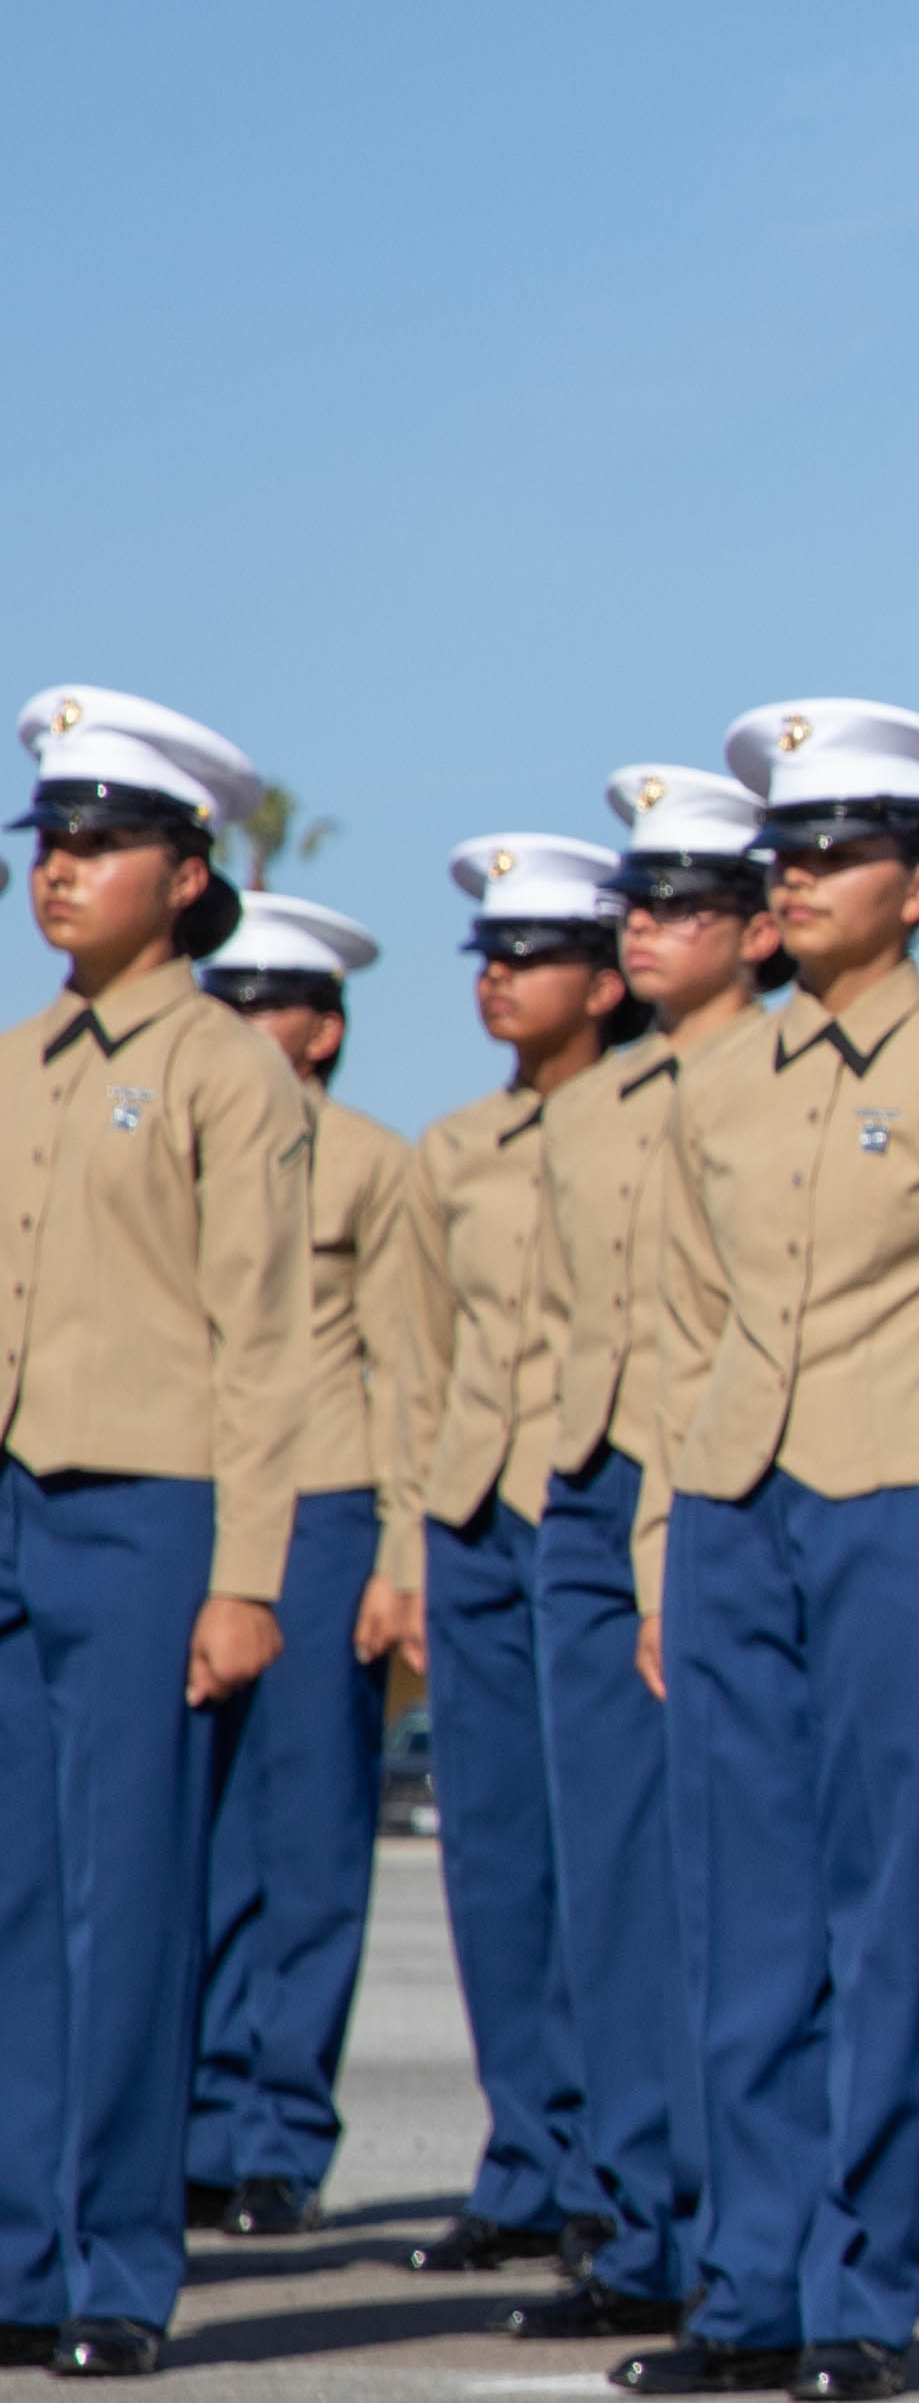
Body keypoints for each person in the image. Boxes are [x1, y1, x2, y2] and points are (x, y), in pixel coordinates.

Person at [623, 699, 919, 2403]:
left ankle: (858, 2289)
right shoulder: (713, 1077)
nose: (800, 878)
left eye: (834, 854)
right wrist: (666, 1544)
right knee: (739, 1908)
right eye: (786, 852)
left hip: (917, 1498)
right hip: (740, 1512)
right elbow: (681, 1328)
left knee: (888, 1901)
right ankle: (747, 2282)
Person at [0, 691, 311, 2375]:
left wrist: (248, 1574)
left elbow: (263, 1341)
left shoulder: (223, 1075)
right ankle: (12, 2252)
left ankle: (113, 2267)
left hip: (147, 1518)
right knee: (11, 1901)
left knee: (125, 1900)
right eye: (45, 839)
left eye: (101, 842)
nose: (61, 869)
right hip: (11, 1511)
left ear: (188, 877)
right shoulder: (16, 1069)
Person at [492, 761, 781, 2352]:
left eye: (681, 905)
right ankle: (642, 2206)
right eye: (637, 905)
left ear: (756, 927)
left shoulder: (777, 1086)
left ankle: (745, 2220)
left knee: (725, 1889)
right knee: (604, 1874)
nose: (647, 928)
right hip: (583, 1491)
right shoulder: (595, 1105)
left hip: (716, 1494)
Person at [384, 833, 632, 2281]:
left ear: (604, 980)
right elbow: (422, 1356)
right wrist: (418, 1531)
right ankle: (526, 2155)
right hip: (481, 1509)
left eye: (530, 955)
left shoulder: (657, 1121)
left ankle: (623, 2157)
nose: (497, 978)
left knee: (612, 1854)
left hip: (593, 1497)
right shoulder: (454, 1150)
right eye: (485, 954)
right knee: (495, 1856)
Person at [182, 893, 429, 2241]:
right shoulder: (183, 1144)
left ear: (322, 1029)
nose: (236, 1024)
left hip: (326, 1505)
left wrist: (402, 1550)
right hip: (190, 1496)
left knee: (312, 1834)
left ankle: (278, 2129)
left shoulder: (368, 1164)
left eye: (264, 1002)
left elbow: (406, 1367)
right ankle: (191, 2120)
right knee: (191, 1836)